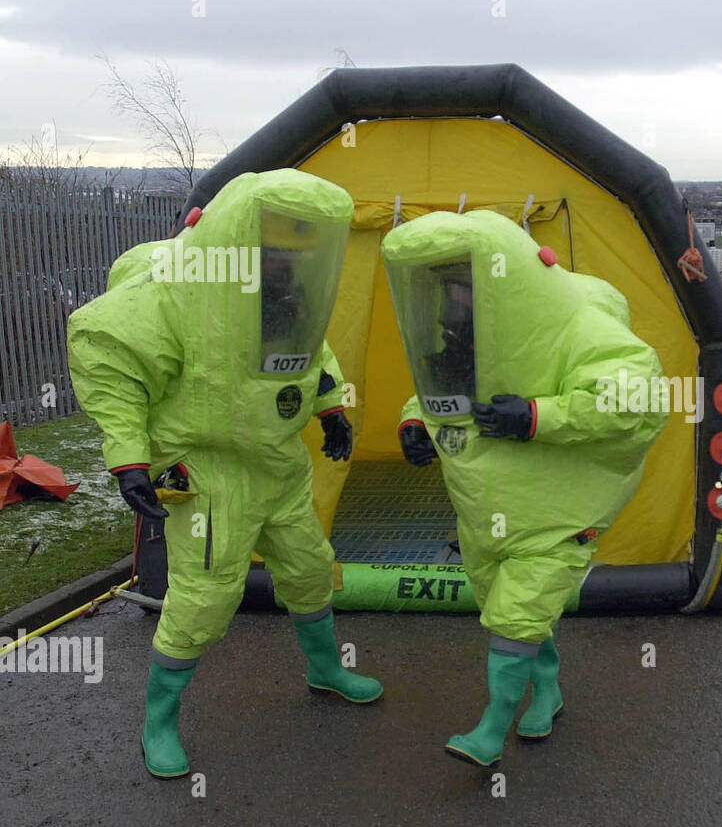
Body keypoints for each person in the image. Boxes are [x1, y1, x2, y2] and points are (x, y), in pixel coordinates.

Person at [67, 168, 382, 780]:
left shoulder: (284, 286)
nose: (290, 260)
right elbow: (109, 357)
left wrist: (329, 408)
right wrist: (129, 458)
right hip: (209, 471)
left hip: (279, 463)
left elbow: (309, 350)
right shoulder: (175, 293)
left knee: (311, 569)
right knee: (206, 597)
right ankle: (158, 723)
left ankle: (325, 669)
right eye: (280, 246)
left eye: (302, 247)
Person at [383, 209, 667, 768]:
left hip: (558, 514)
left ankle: (491, 729)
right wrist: (414, 422)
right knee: (508, 609)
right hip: (485, 513)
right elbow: (440, 390)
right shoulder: (468, 336)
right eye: (445, 290)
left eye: (462, 289)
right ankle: (549, 691)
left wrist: (539, 416)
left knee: (515, 618)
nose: (451, 305)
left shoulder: (580, 328)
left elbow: (635, 398)